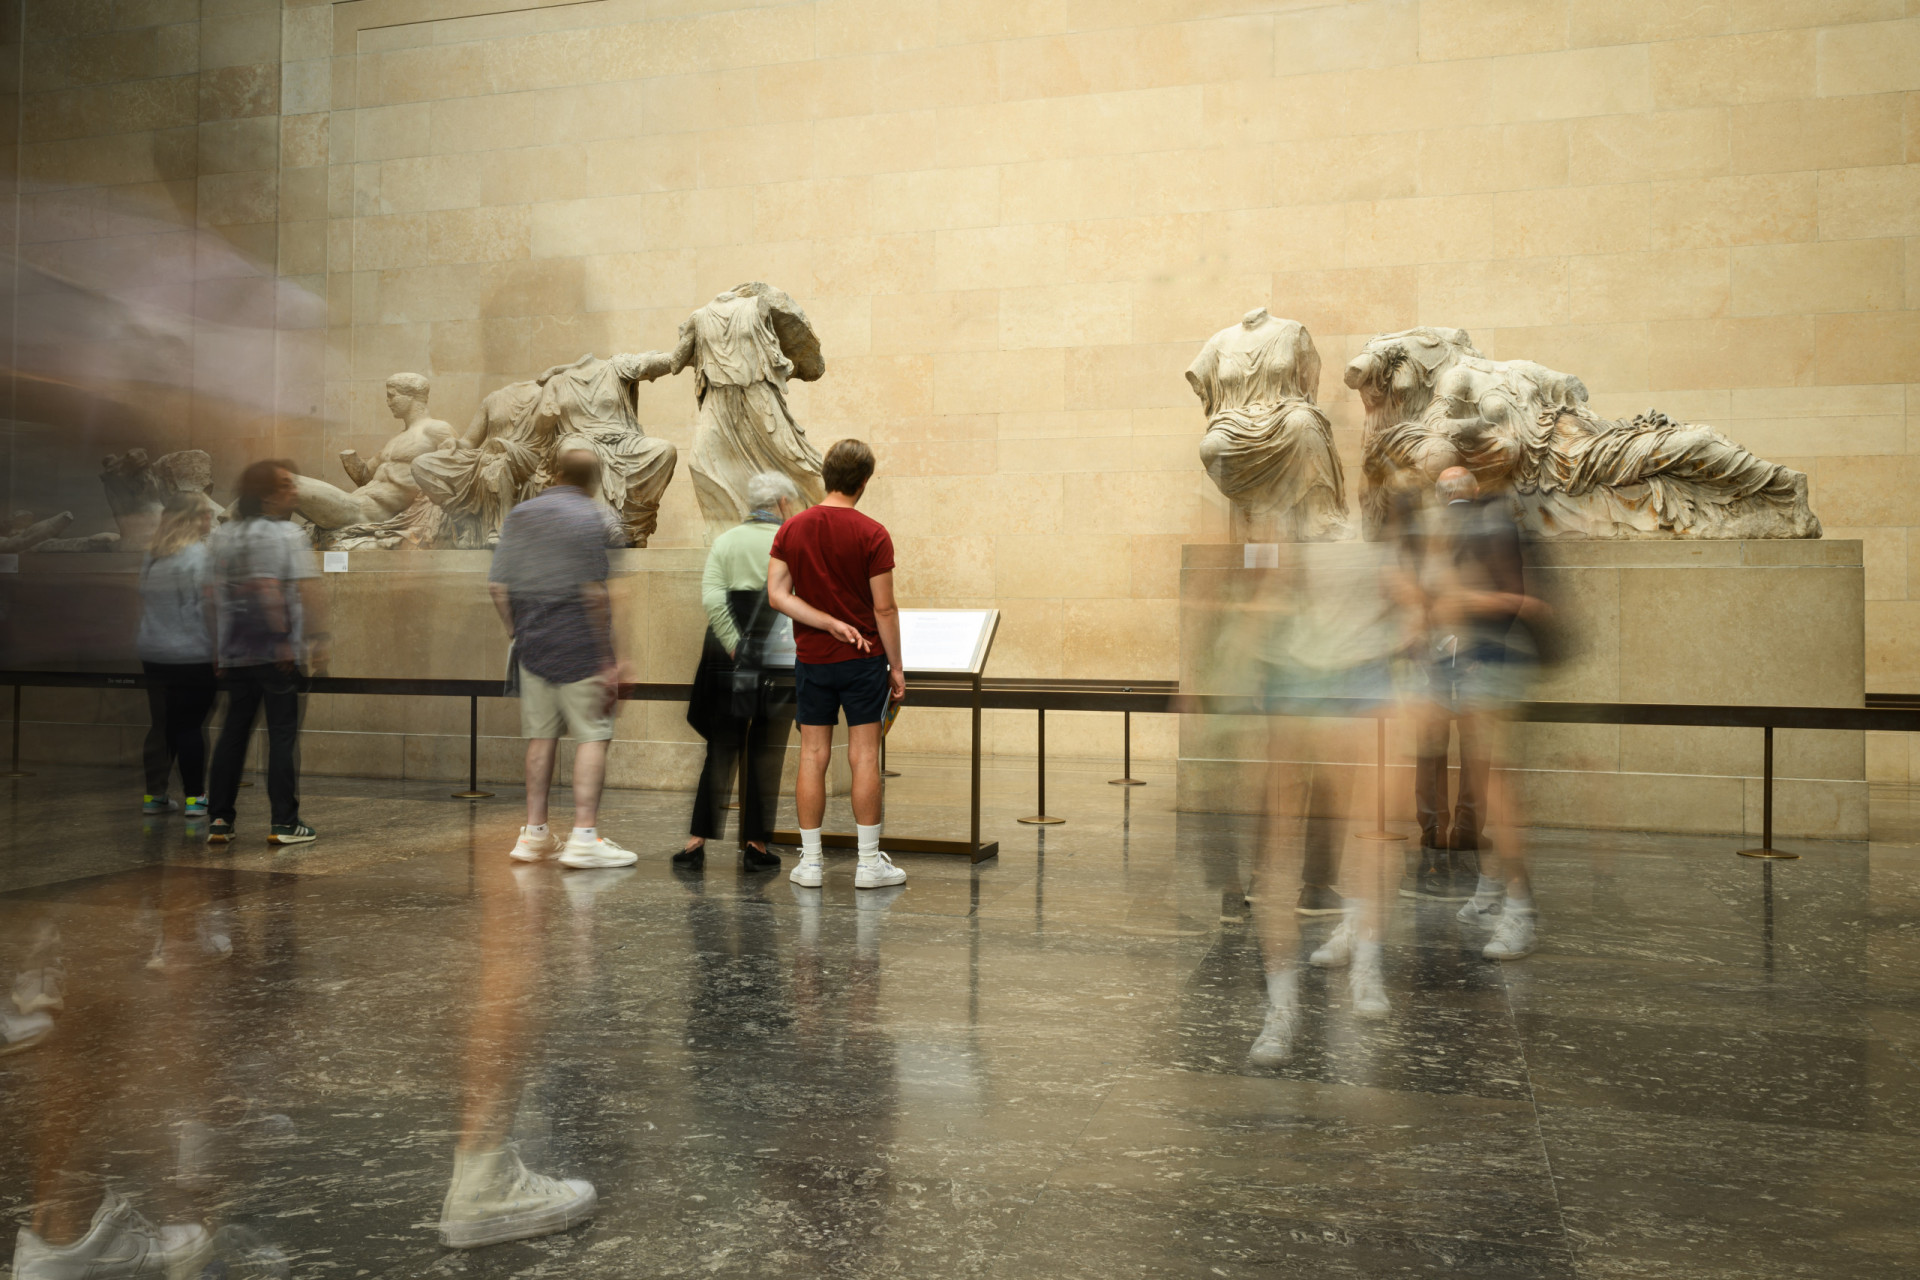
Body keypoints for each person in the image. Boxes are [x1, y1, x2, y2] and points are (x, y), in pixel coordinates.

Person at [767, 439, 905, 890]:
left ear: (825, 475)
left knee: (812, 755)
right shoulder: (873, 532)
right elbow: (884, 610)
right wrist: (897, 667)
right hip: (864, 659)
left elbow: (778, 595)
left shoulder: (792, 529)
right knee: (864, 756)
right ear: (864, 482)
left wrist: (824, 623)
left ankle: (809, 864)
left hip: (812, 660)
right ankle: (868, 865)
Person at [489, 447, 636, 870]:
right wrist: (617, 657)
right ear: (594, 481)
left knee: (541, 737)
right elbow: (595, 591)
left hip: (532, 645)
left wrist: (516, 630)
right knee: (592, 735)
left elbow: (497, 587)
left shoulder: (521, 515)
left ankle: (534, 834)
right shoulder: (593, 518)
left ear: (554, 473)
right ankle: (585, 837)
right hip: (581, 648)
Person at [1422, 467, 1540, 961]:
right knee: (1468, 774)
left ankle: (1520, 906)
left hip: (1482, 667)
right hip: (1446, 667)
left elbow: (1514, 599)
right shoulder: (1439, 534)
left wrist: (1461, 620)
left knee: (1496, 788)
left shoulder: (1491, 526)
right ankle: (1493, 890)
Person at [678, 472, 802, 875]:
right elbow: (799, 599)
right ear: (782, 503)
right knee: (766, 749)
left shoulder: (725, 542)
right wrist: (755, 648)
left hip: (724, 653)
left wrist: (735, 646)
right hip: (776, 649)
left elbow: (712, 598)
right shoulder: (790, 542)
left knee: (721, 746)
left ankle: (696, 842)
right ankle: (755, 843)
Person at [205, 461, 327, 846]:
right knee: (282, 737)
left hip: (235, 652)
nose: (294, 490)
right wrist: (296, 639)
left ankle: (220, 819)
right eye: (287, 484)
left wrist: (216, 647)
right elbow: (273, 588)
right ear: (268, 494)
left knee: (232, 735)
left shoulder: (223, 536)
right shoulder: (288, 534)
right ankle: (284, 822)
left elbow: (210, 596)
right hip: (276, 653)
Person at [137, 493, 218, 817]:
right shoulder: (199, 556)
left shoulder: (153, 556)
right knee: (190, 726)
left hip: (153, 651)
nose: (210, 521)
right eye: (205, 515)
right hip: (191, 653)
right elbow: (207, 609)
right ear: (191, 519)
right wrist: (218, 651)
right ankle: (194, 797)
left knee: (161, 725)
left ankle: (154, 796)